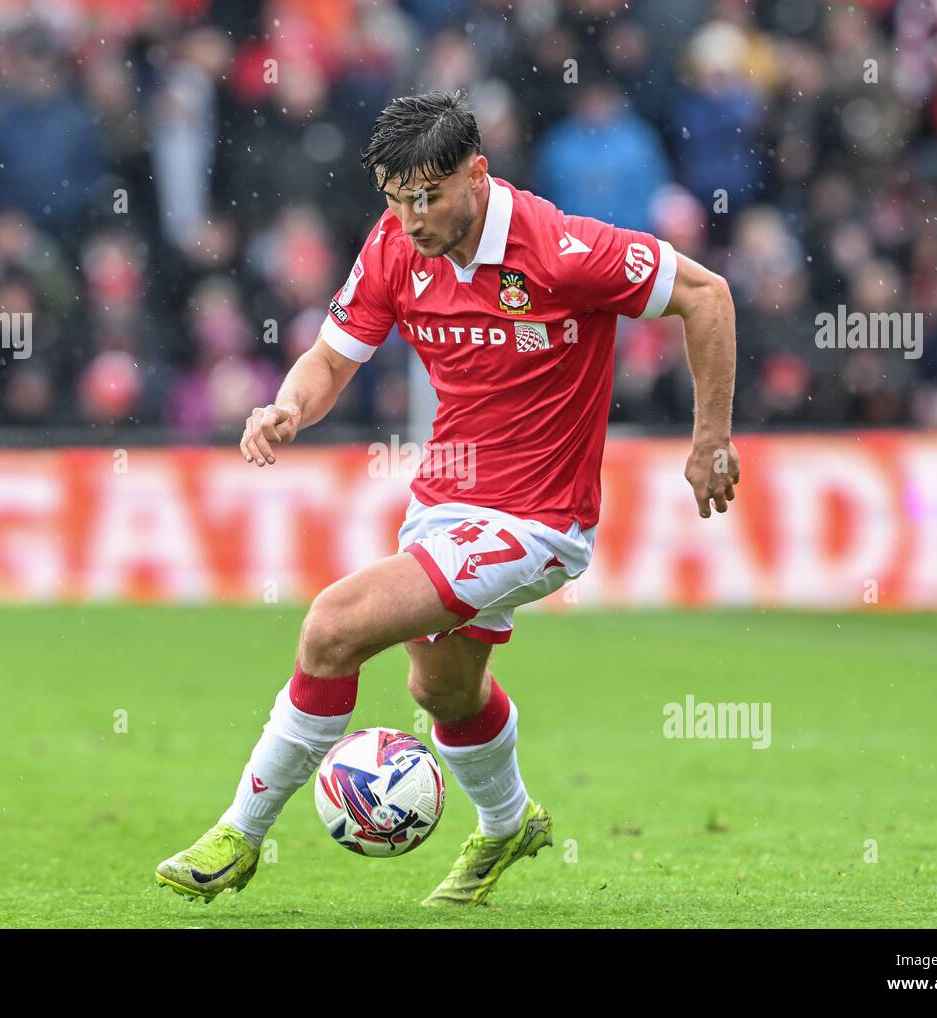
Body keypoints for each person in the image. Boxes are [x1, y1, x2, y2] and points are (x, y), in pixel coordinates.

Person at [156, 90, 739, 907]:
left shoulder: (564, 250)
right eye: (395, 199)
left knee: (333, 628)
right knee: (442, 692)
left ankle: (239, 835)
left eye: (427, 196)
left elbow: (706, 295)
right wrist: (289, 404)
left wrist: (709, 438)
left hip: (538, 520)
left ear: (478, 173)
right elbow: (329, 359)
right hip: (446, 503)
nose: (411, 217)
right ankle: (509, 825)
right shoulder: (397, 246)